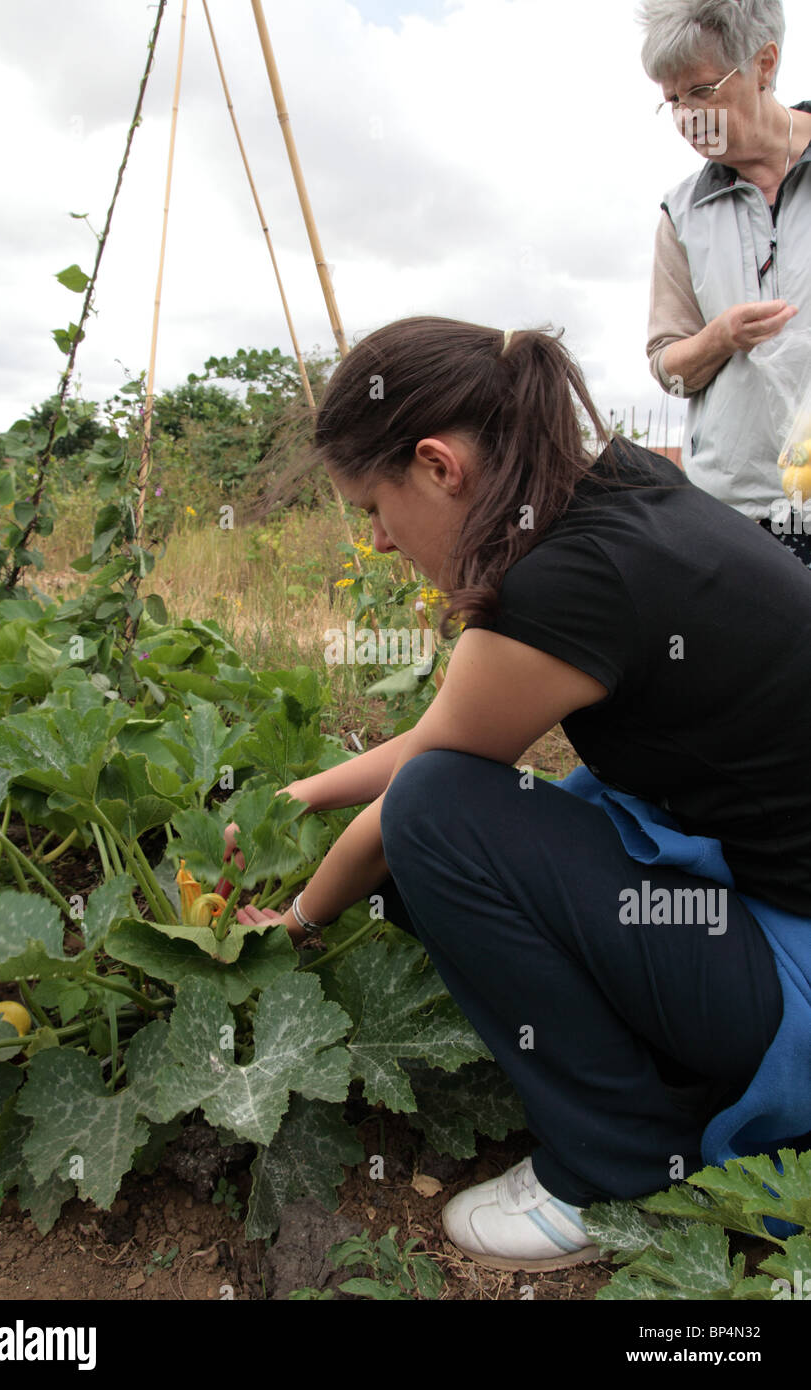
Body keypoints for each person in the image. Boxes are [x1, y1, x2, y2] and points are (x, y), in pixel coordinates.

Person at [227, 316, 811, 1273]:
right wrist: (294, 798)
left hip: (795, 985)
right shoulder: (617, 490)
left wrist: (292, 918)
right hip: (758, 896)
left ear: (437, 465)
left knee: (432, 824)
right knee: (451, 828)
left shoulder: (568, 584)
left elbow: (421, 794)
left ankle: (617, 1166)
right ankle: (659, 1079)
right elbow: (442, 737)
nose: (374, 542)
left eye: (372, 508)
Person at [640, 0, 811, 567]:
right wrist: (720, 338)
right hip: (737, 521)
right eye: (672, 100)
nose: (687, 116)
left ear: (764, 65)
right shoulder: (682, 213)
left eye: (702, 91)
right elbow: (668, 365)